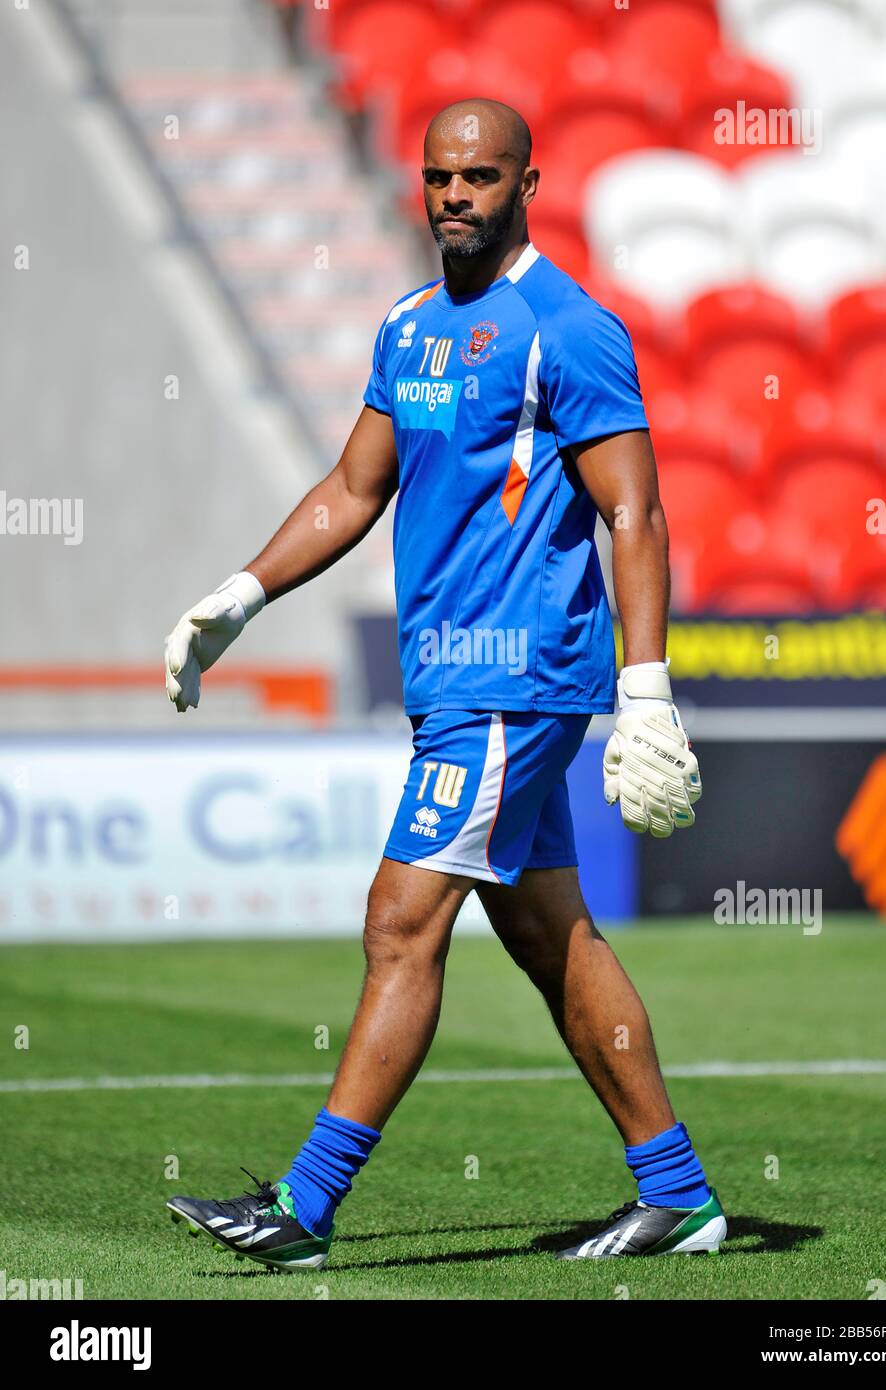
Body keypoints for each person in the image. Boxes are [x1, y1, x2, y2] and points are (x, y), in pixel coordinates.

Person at [163, 98, 723, 1269]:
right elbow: (351, 489)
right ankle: (678, 1194)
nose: (453, 195)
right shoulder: (410, 325)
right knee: (548, 935)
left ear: (527, 183)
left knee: (399, 921)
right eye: (437, 177)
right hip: (453, 684)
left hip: (516, 684)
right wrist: (238, 595)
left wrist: (647, 684)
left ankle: (303, 1211)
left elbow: (634, 510)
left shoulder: (566, 329)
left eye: (478, 176)